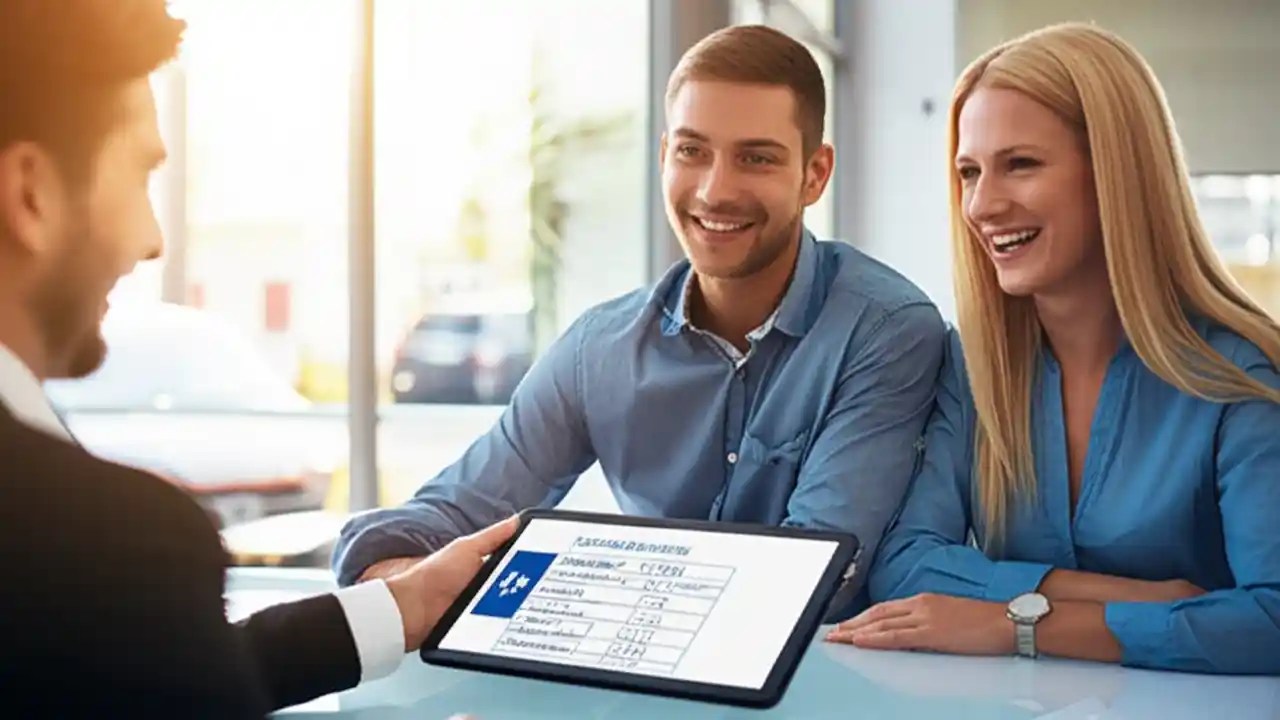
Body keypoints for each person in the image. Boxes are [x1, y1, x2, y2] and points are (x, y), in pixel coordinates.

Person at [0, 2, 515, 716]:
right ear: (32, 195)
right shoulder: (110, 547)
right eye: (139, 174)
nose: (151, 239)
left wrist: (401, 606)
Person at [335, 24, 946, 607]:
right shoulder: (599, 348)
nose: (713, 190)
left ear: (814, 175)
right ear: (664, 157)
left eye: (755, 159)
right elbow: (442, 517)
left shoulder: (888, 331)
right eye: (692, 151)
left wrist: (564, 585)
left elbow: (813, 573)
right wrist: (400, 575)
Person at [827, 23, 1280, 674]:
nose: (982, 205)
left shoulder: (1238, 381)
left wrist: (1013, 623)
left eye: (1021, 165)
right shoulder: (971, 366)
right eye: (969, 173)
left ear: (1116, 176)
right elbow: (906, 564)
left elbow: (1269, 620)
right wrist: (1146, 602)